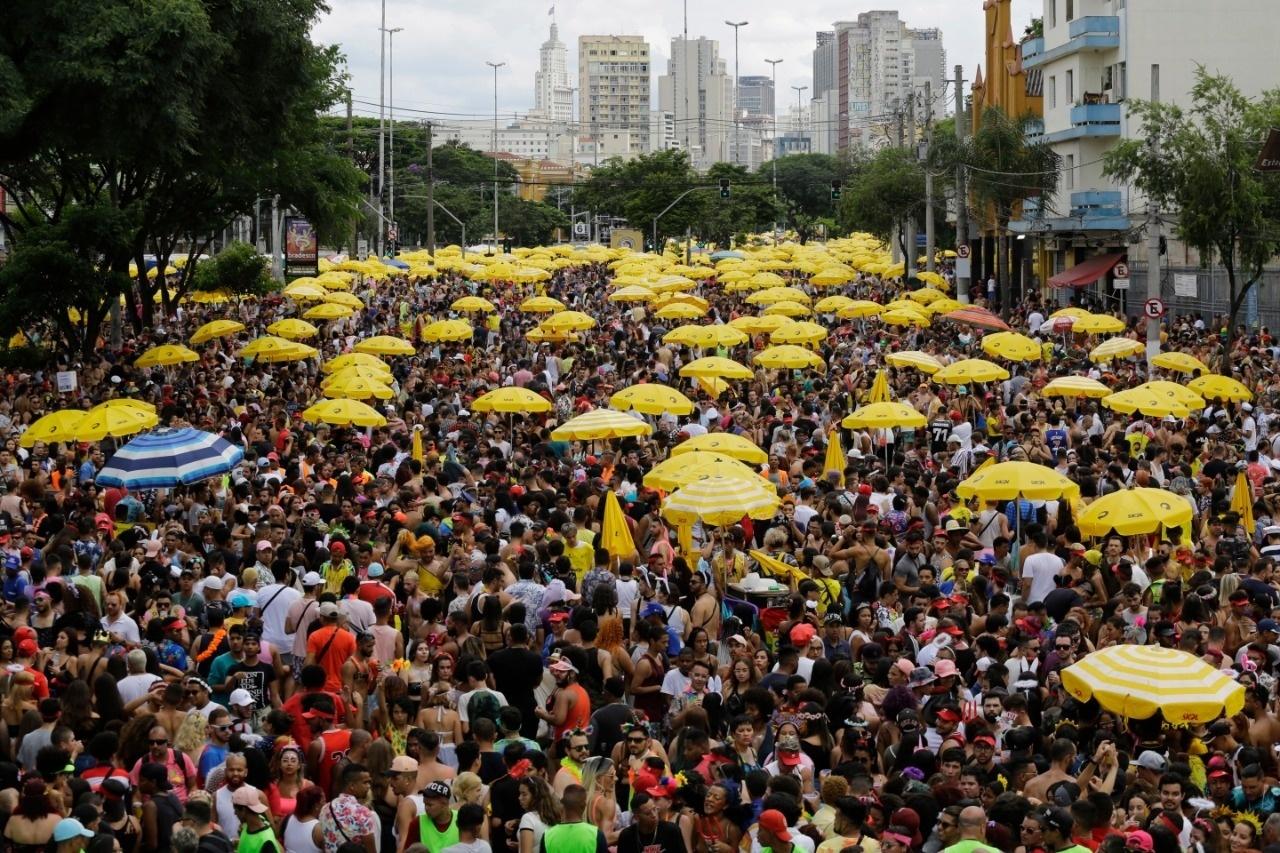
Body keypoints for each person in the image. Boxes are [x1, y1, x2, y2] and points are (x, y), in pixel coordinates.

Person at [316, 763, 377, 853]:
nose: (368, 786)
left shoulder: (325, 808)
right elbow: (371, 850)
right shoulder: (363, 813)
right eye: (365, 782)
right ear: (352, 786)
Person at [232, 785, 281, 853]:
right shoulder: (247, 826)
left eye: (236, 810)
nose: (235, 813)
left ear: (243, 810)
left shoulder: (266, 842)